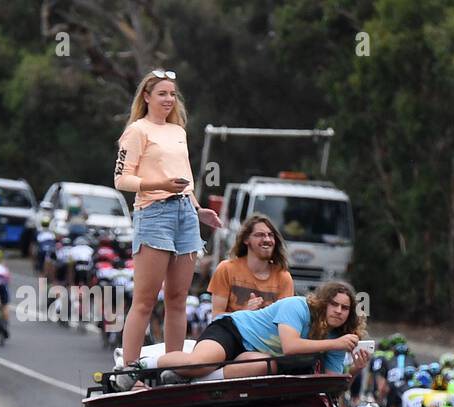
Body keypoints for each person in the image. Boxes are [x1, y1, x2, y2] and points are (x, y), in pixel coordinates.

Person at [112, 68, 223, 379]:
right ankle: (129, 372)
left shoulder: (178, 131)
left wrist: (198, 210)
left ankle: (175, 368)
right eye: (162, 93)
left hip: (185, 213)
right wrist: (159, 184)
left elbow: (185, 180)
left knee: (178, 298)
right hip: (154, 213)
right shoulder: (137, 130)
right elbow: (122, 179)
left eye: (172, 94)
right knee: (146, 299)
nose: (168, 99)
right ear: (146, 97)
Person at [126, 282, 366, 387]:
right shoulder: (299, 307)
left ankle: (191, 380)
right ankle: (140, 365)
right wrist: (334, 344)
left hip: (253, 353)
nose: (338, 311)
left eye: (345, 308)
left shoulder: (337, 338)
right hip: (233, 331)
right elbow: (291, 346)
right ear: (323, 302)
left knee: (264, 366)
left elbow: (329, 384)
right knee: (200, 362)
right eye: (334, 304)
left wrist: (353, 371)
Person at [207, 214, 294, 315]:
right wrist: (244, 313)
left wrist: (259, 316)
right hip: (233, 330)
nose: (267, 239)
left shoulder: (283, 277)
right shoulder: (226, 269)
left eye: (270, 235)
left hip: (267, 331)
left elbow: (285, 320)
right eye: (260, 235)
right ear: (246, 240)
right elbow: (216, 316)